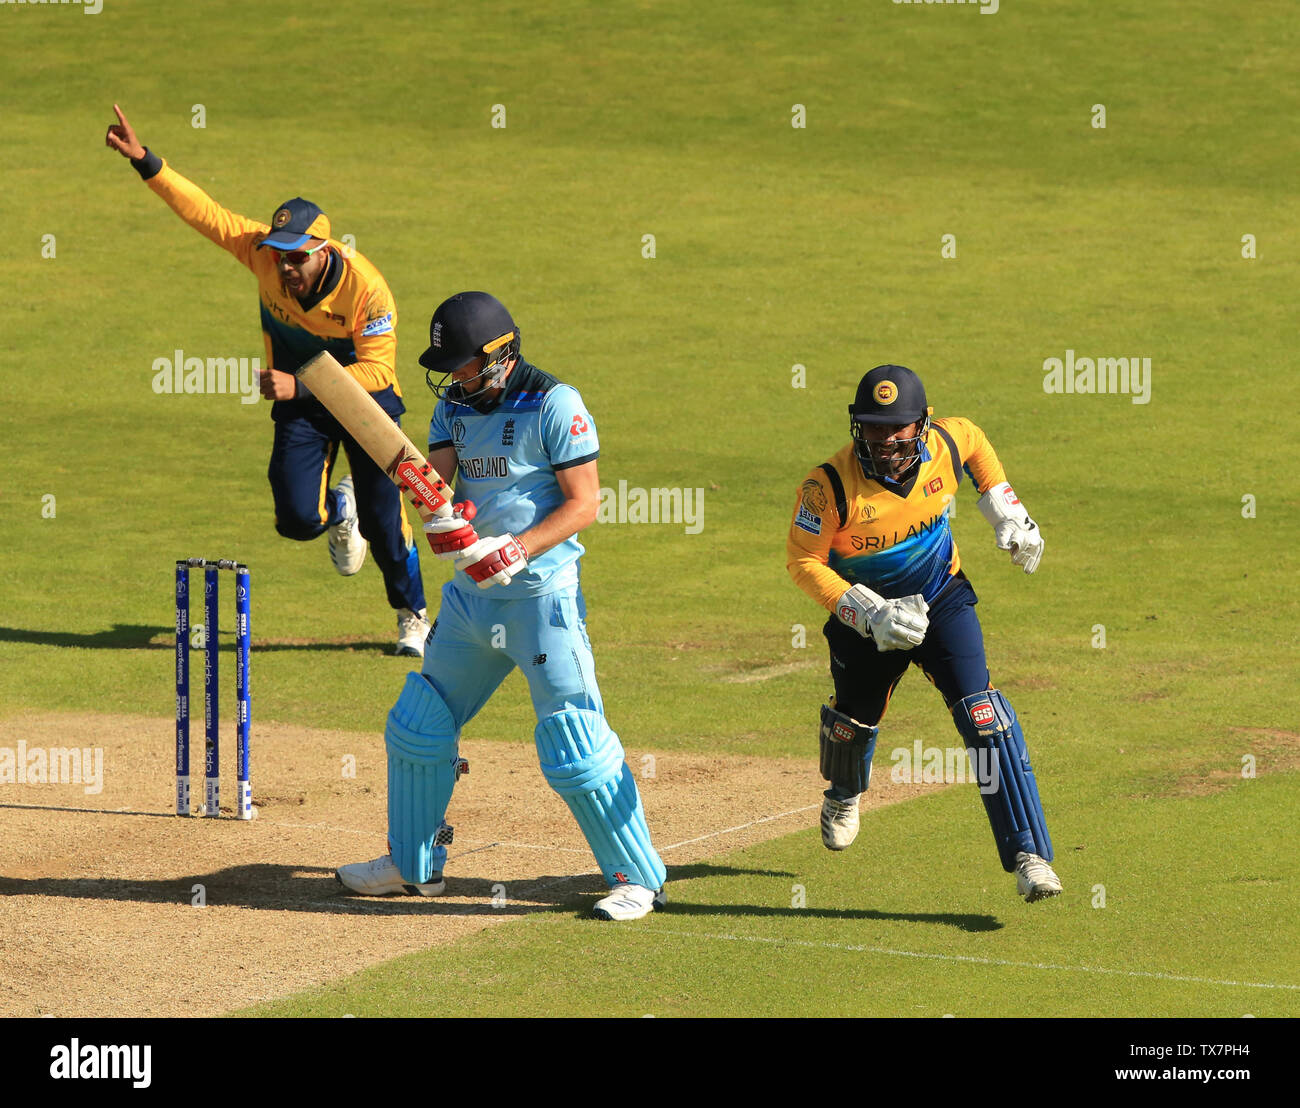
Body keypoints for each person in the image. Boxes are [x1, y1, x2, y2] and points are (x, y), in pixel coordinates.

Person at [336, 292, 667, 920]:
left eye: (464, 364)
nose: (454, 376)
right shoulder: (451, 406)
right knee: (420, 722)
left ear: (501, 353)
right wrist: (444, 524)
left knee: (574, 740)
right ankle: (414, 866)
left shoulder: (555, 404)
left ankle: (636, 878)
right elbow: (434, 487)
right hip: (469, 602)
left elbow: (584, 504)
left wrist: (515, 549)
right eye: (449, 365)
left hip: (541, 599)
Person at [104, 104, 430, 656]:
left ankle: (412, 616)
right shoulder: (262, 255)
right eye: (278, 257)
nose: (284, 269)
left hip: (366, 406)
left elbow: (378, 371)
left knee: (385, 526)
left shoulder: (368, 291)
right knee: (298, 520)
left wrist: (300, 385)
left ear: (322, 251)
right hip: (302, 406)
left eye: (296, 259)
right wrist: (147, 162)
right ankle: (337, 505)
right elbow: (208, 214)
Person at [786, 364, 1062, 902]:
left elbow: (975, 442)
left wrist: (1006, 507)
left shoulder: (944, 443)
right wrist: (866, 612)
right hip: (869, 620)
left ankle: (1029, 854)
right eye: (872, 427)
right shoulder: (828, 487)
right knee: (853, 723)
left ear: (921, 423)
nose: (885, 439)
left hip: (942, 597)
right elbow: (803, 560)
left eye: (897, 427)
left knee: (985, 717)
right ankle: (844, 792)